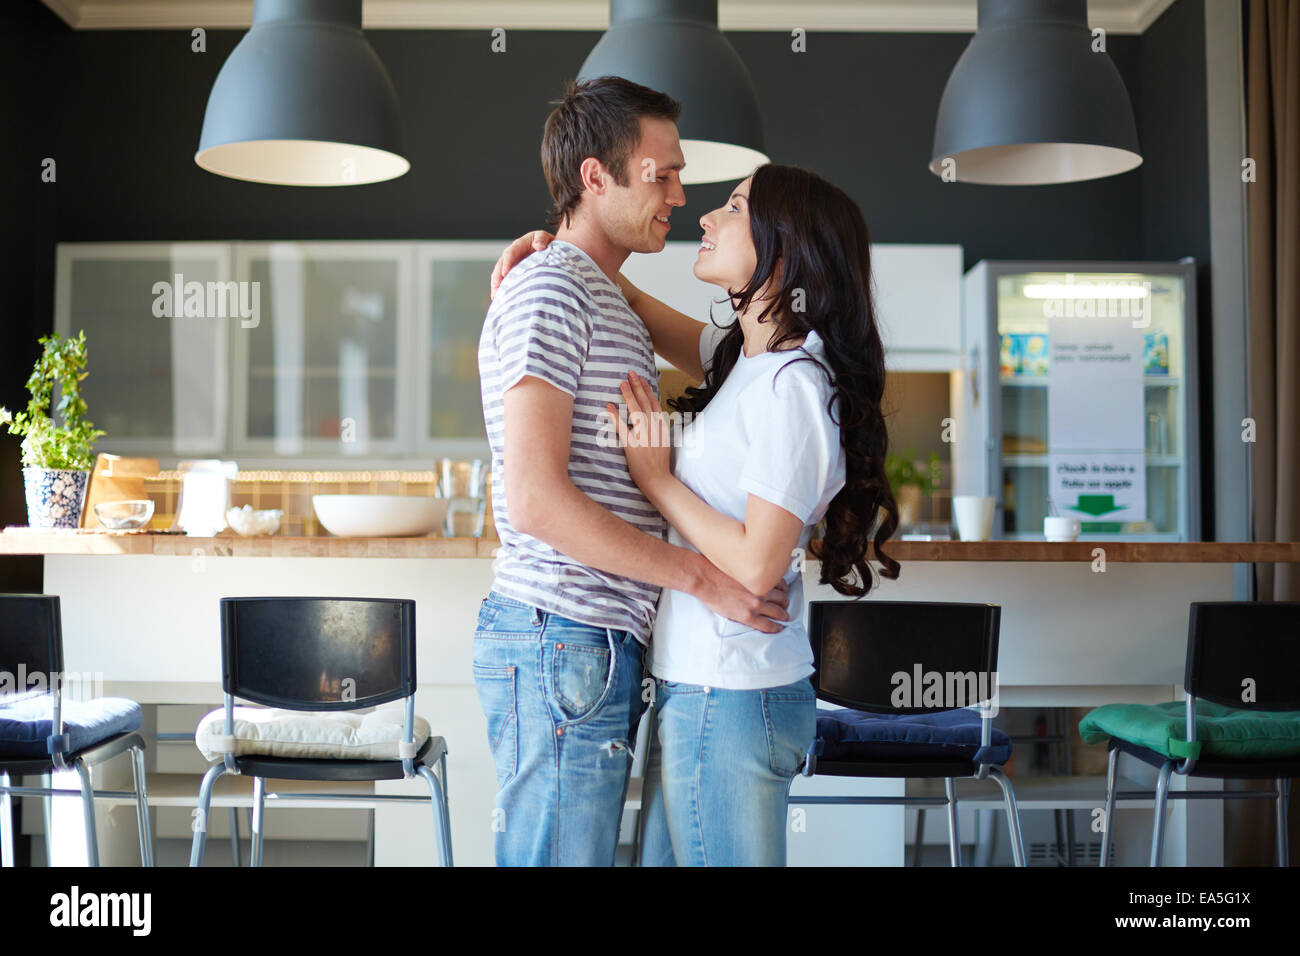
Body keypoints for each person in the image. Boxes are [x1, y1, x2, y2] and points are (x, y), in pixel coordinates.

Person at [491, 163, 902, 865]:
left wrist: (656, 480)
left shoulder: (792, 385)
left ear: (784, 247)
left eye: (734, 208)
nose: (705, 218)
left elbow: (755, 563)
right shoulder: (748, 362)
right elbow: (635, 303)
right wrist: (560, 250)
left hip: (732, 690)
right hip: (704, 684)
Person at [475, 75, 790, 867]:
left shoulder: (590, 290)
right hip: (561, 634)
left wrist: (587, 261)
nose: (682, 195)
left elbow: (737, 352)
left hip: (592, 642)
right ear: (595, 177)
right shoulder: (549, 289)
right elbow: (537, 500)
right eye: (663, 174)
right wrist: (704, 578)